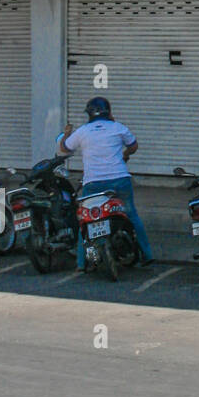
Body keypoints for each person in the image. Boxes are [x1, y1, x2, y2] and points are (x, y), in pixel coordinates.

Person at [57, 97, 154, 269]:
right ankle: (147, 254)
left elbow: (65, 148)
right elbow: (133, 145)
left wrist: (66, 133)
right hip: (120, 181)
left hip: (93, 184)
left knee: (85, 221)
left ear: (89, 114)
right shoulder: (118, 127)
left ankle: (82, 262)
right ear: (108, 112)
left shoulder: (83, 131)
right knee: (132, 216)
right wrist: (125, 154)